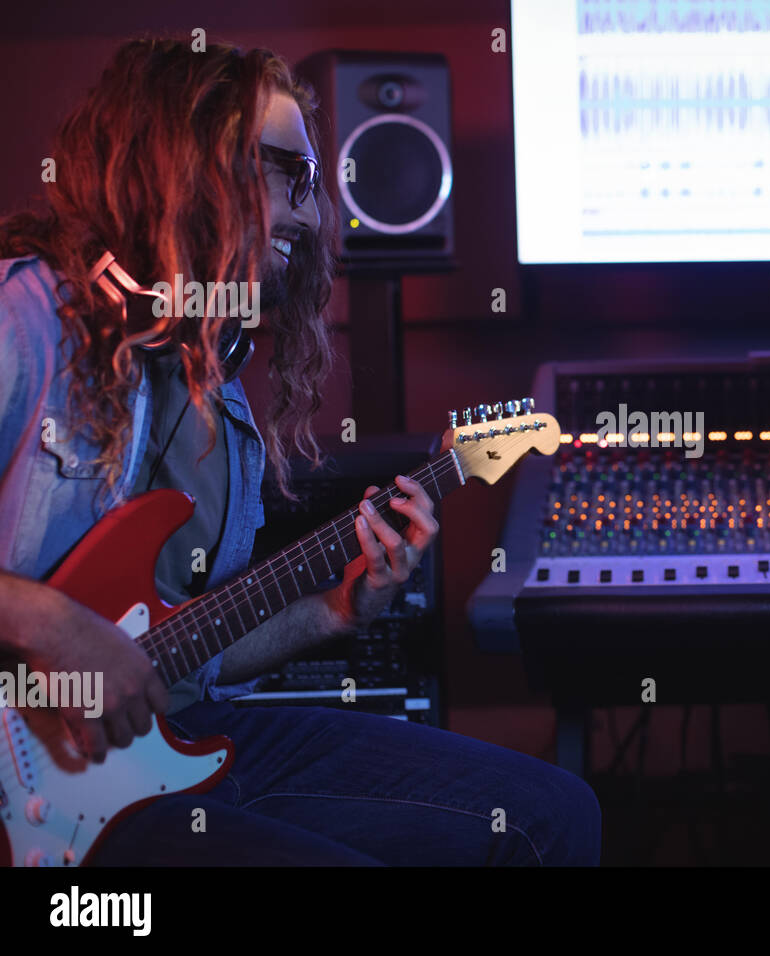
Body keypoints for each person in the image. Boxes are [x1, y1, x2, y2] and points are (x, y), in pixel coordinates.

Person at [0, 37, 600, 865]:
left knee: (552, 813)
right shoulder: (24, 320)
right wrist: (49, 623)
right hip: (32, 793)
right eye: (292, 175)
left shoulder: (222, 395)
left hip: (175, 742)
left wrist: (337, 610)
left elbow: (186, 651)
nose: (312, 215)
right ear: (190, 163)